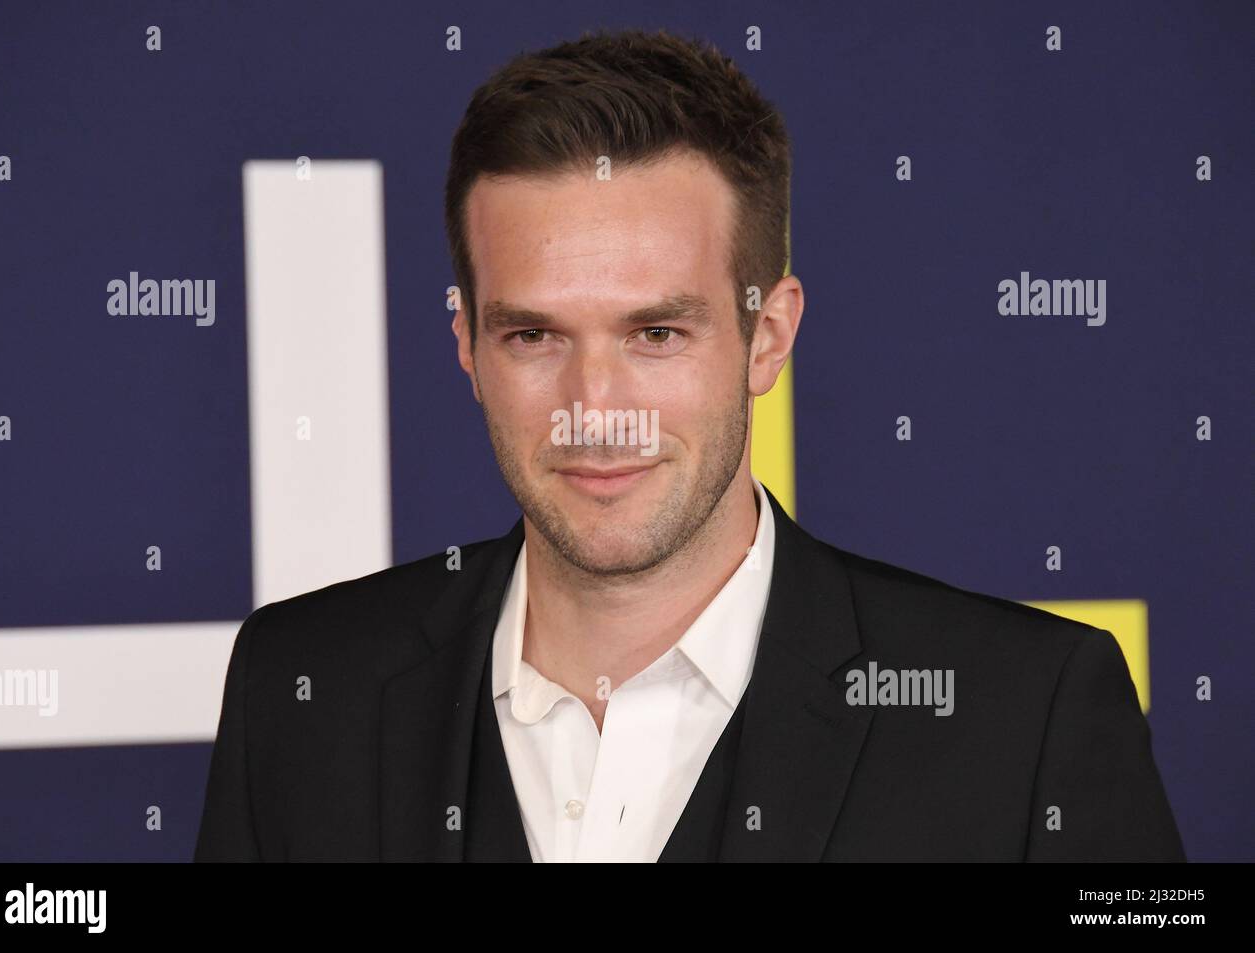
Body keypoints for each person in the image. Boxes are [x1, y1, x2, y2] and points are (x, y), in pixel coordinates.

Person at [195, 28, 1184, 862]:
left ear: (769, 336)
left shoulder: (1026, 717)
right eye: (533, 335)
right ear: (466, 343)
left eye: (655, 333)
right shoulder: (302, 687)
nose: (595, 406)